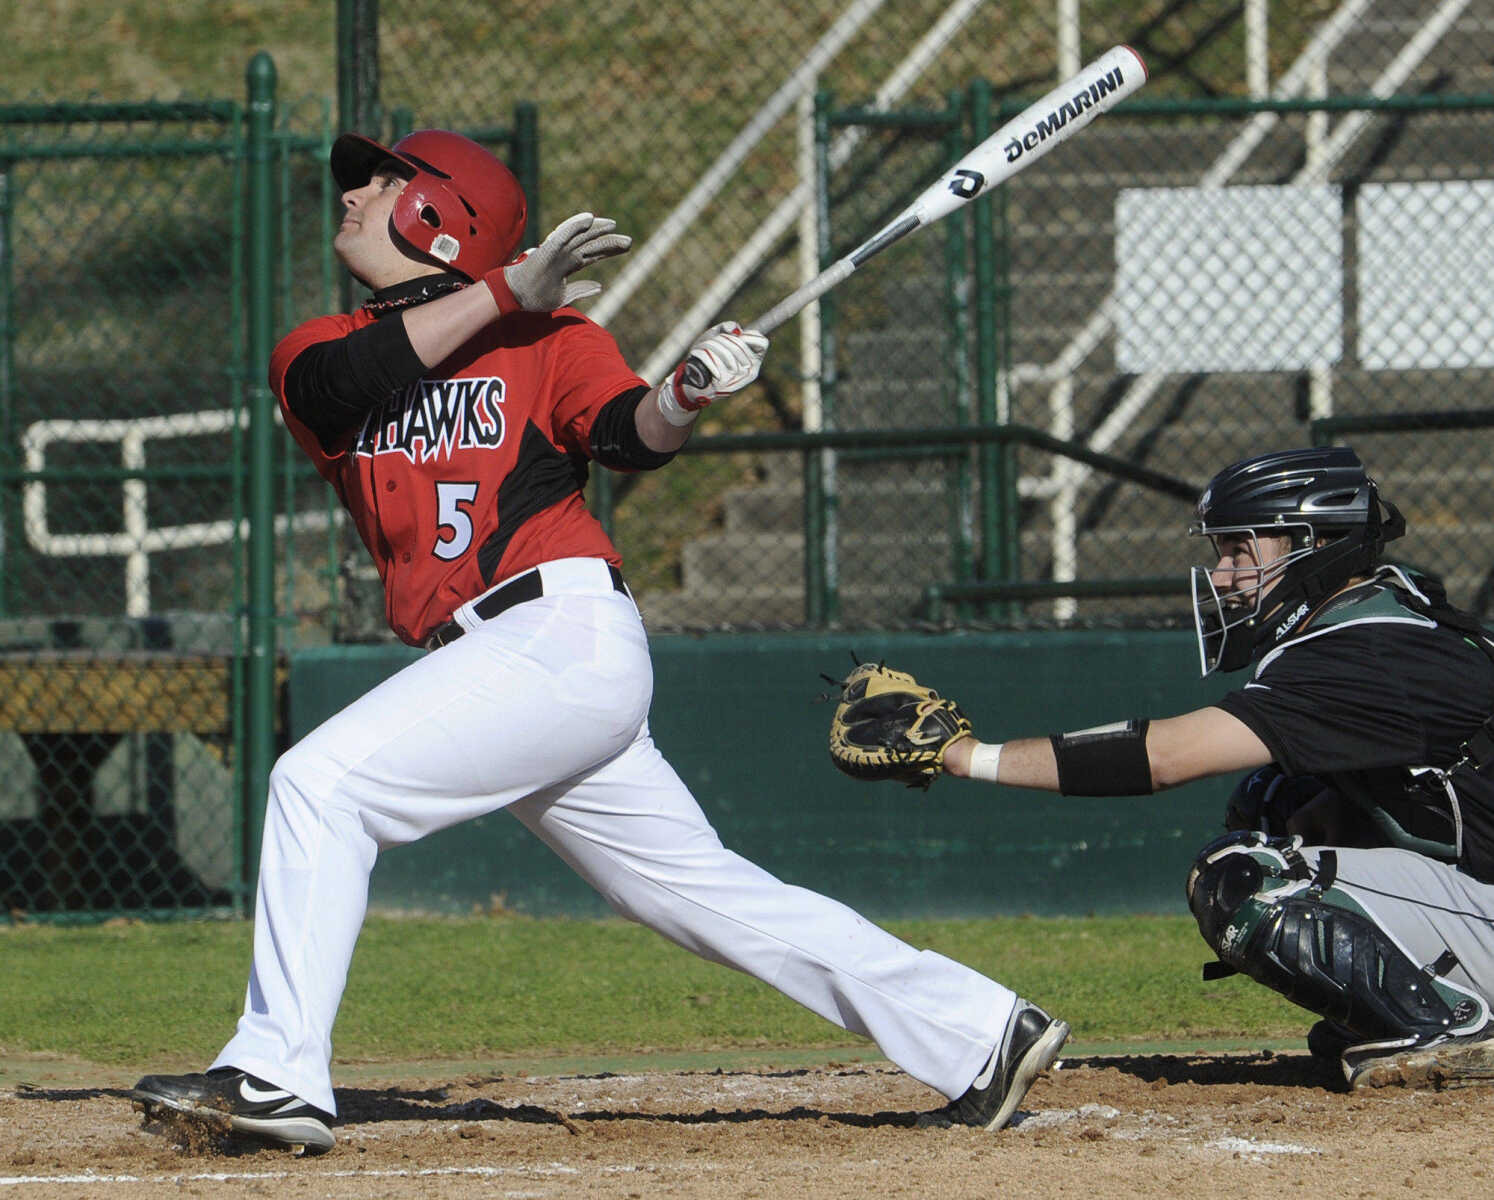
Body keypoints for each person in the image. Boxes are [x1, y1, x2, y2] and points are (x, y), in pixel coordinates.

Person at [129, 129, 1066, 1153]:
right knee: (699, 897)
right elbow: (338, 385)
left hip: (556, 632)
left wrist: (685, 393)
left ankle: (274, 1074)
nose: (352, 196)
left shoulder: (552, 338)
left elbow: (628, 436)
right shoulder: (318, 347)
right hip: (497, 664)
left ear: (439, 216)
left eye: (384, 182)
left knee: (319, 785)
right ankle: (979, 1031)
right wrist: (504, 291)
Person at [920, 444, 1494, 1087]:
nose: (1222, 575)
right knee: (1276, 800)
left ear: (1317, 544)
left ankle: (1451, 1027)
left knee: (1245, 881)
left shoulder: (1366, 648)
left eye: (1240, 551)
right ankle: (1428, 995)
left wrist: (968, 756)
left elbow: (1164, 758)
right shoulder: (1385, 613)